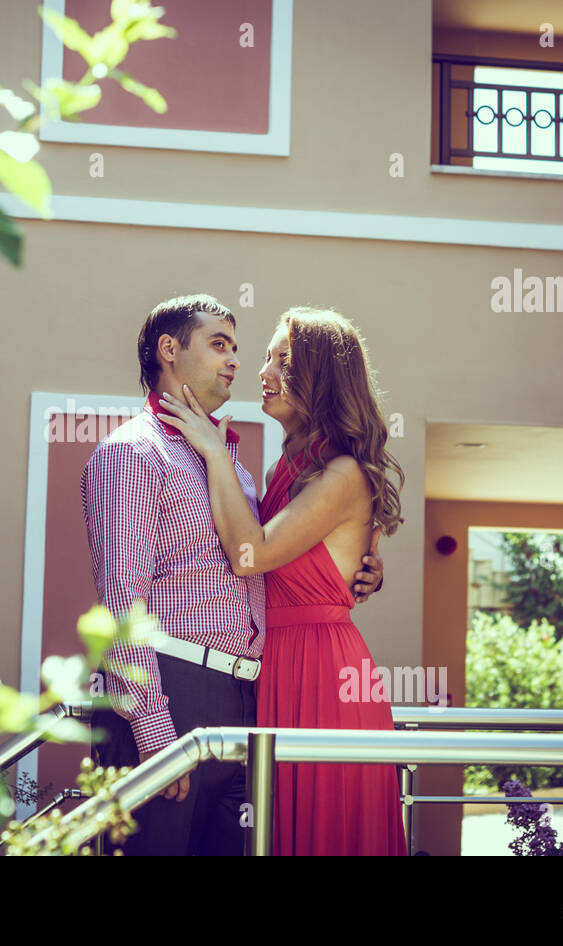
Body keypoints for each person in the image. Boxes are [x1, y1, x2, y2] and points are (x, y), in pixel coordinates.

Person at [80, 294, 385, 856]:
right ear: (170, 350)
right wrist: (153, 733)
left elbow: (272, 558)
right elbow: (122, 602)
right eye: (220, 344)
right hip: (175, 694)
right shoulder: (130, 455)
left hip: (256, 697)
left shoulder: (239, 471)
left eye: (243, 349)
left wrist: (356, 569)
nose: (240, 364)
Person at [156, 305, 407, 856]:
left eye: (283, 361)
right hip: (275, 671)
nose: (262, 372)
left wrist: (213, 450)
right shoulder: (285, 470)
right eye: (267, 358)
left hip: (324, 677)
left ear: (321, 378)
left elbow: (252, 555)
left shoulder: (343, 473)